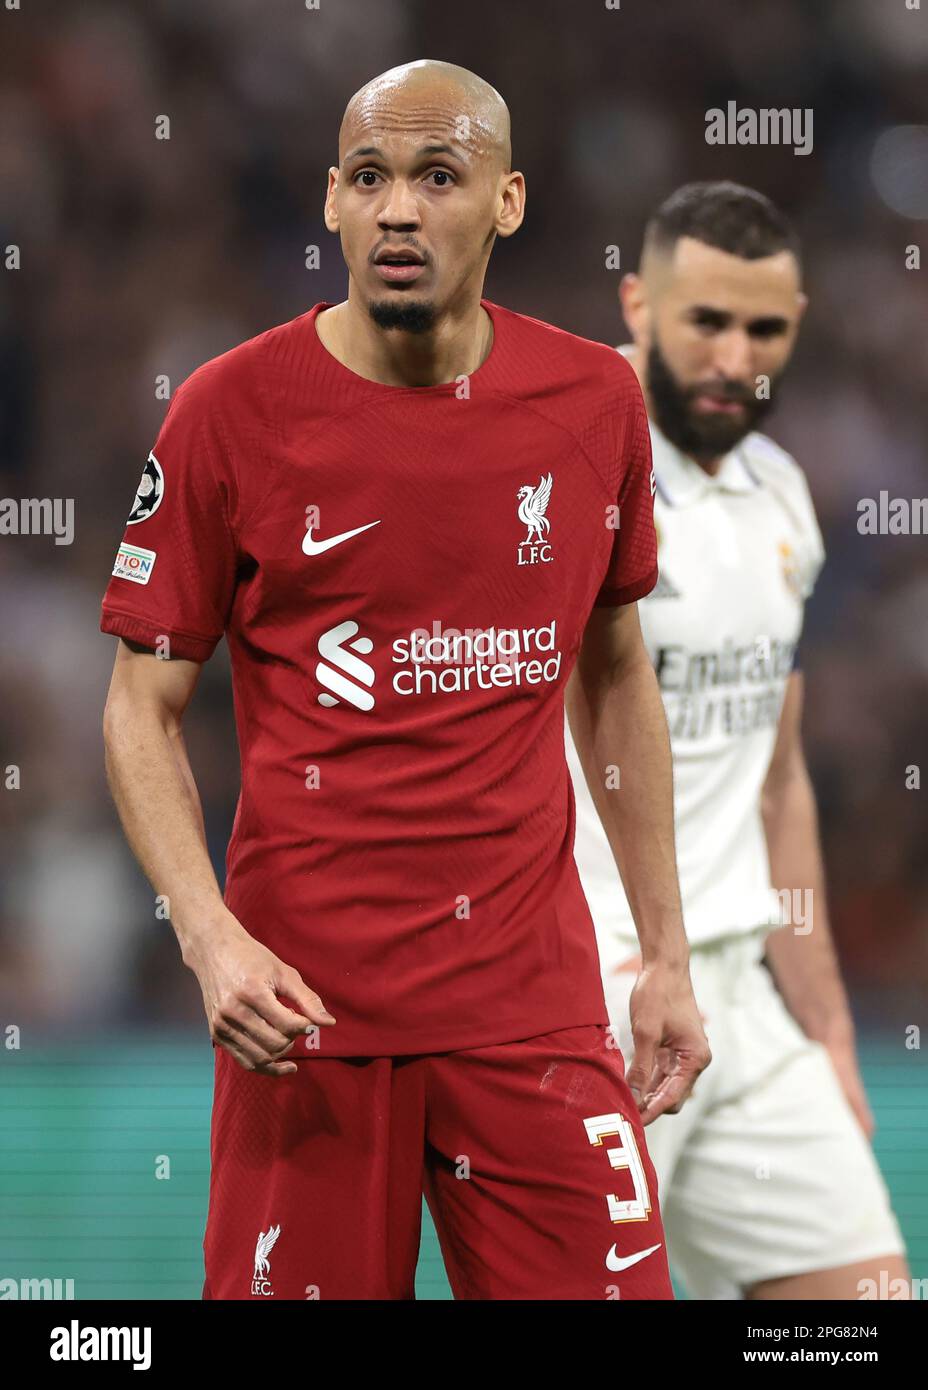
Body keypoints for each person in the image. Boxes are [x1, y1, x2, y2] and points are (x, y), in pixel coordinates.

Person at [99, 60, 709, 1301]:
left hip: (530, 1007)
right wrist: (209, 940)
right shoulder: (228, 412)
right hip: (305, 1018)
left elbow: (616, 672)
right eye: (369, 178)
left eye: (438, 178)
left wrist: (665, 954)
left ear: (507, 202)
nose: (397, 210)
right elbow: (138, 705)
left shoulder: (594, 401)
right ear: (330, 201)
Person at [565, 181, 908, 1301]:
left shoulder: (781, 495)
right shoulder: (562, 475)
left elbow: (778, 777)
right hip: (594, 998)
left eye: (762, 328)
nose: (731, 355)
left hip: (741, 1004)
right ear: (636, 301)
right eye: (703, 320)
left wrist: (828, 1028)